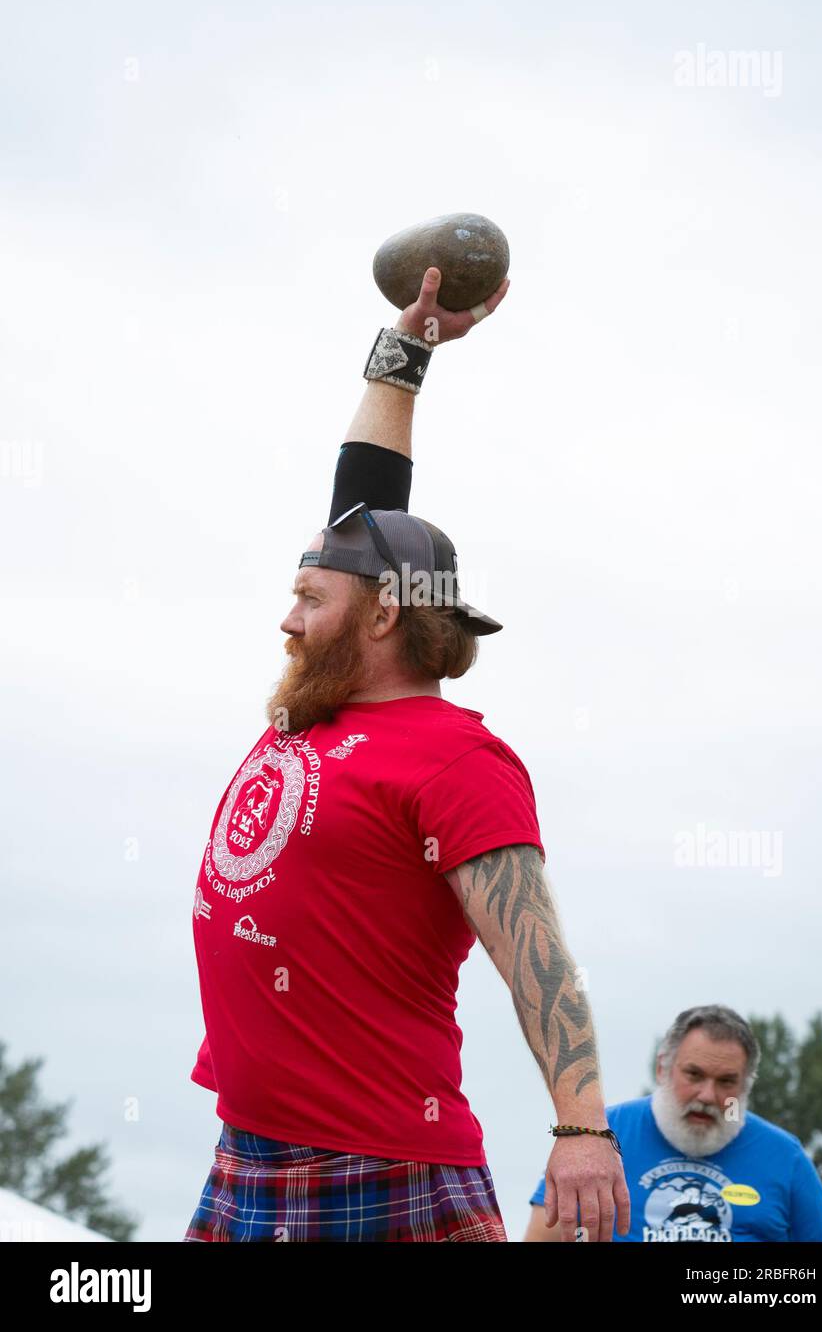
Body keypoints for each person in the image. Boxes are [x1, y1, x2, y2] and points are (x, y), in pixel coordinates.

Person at [183, 268, 629, 1242]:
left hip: (381, 1167)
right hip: (245, 1151)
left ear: (382, 610)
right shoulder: (320, 707)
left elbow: (536, 957)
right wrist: (406, 350)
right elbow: (364, 504)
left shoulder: (456, 760)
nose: (287, 618)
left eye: (309, 597)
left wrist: (581, 1129)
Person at [523, 1004, 822, 1243]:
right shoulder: (601, 1134)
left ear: (747, 1085)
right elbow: (541, 1237)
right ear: (663, 1068)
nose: (708, 1095)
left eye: (727, 1081)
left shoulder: (786, 1157)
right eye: (694, 1075)